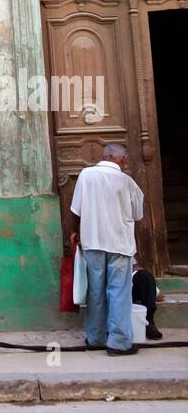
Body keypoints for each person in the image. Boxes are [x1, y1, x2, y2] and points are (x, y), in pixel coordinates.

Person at [69, 143, 145, 356]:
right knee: (119, 292)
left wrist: (74, 231)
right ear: (118, 158)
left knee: (95, 291)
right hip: (119, 244)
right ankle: (119, 342)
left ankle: (95, 338)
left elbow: (76, 208)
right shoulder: (127, 182)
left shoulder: (86, 175)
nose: (125, 162)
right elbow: (138, 214)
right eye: (124, 159)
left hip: (92, 242)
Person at [132, 260, 164, 340]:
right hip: (110, 289)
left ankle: (149, 321)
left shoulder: (123, 248)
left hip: (127, 286)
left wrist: (155, 291)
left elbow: (135, 268)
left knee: (144, 274)